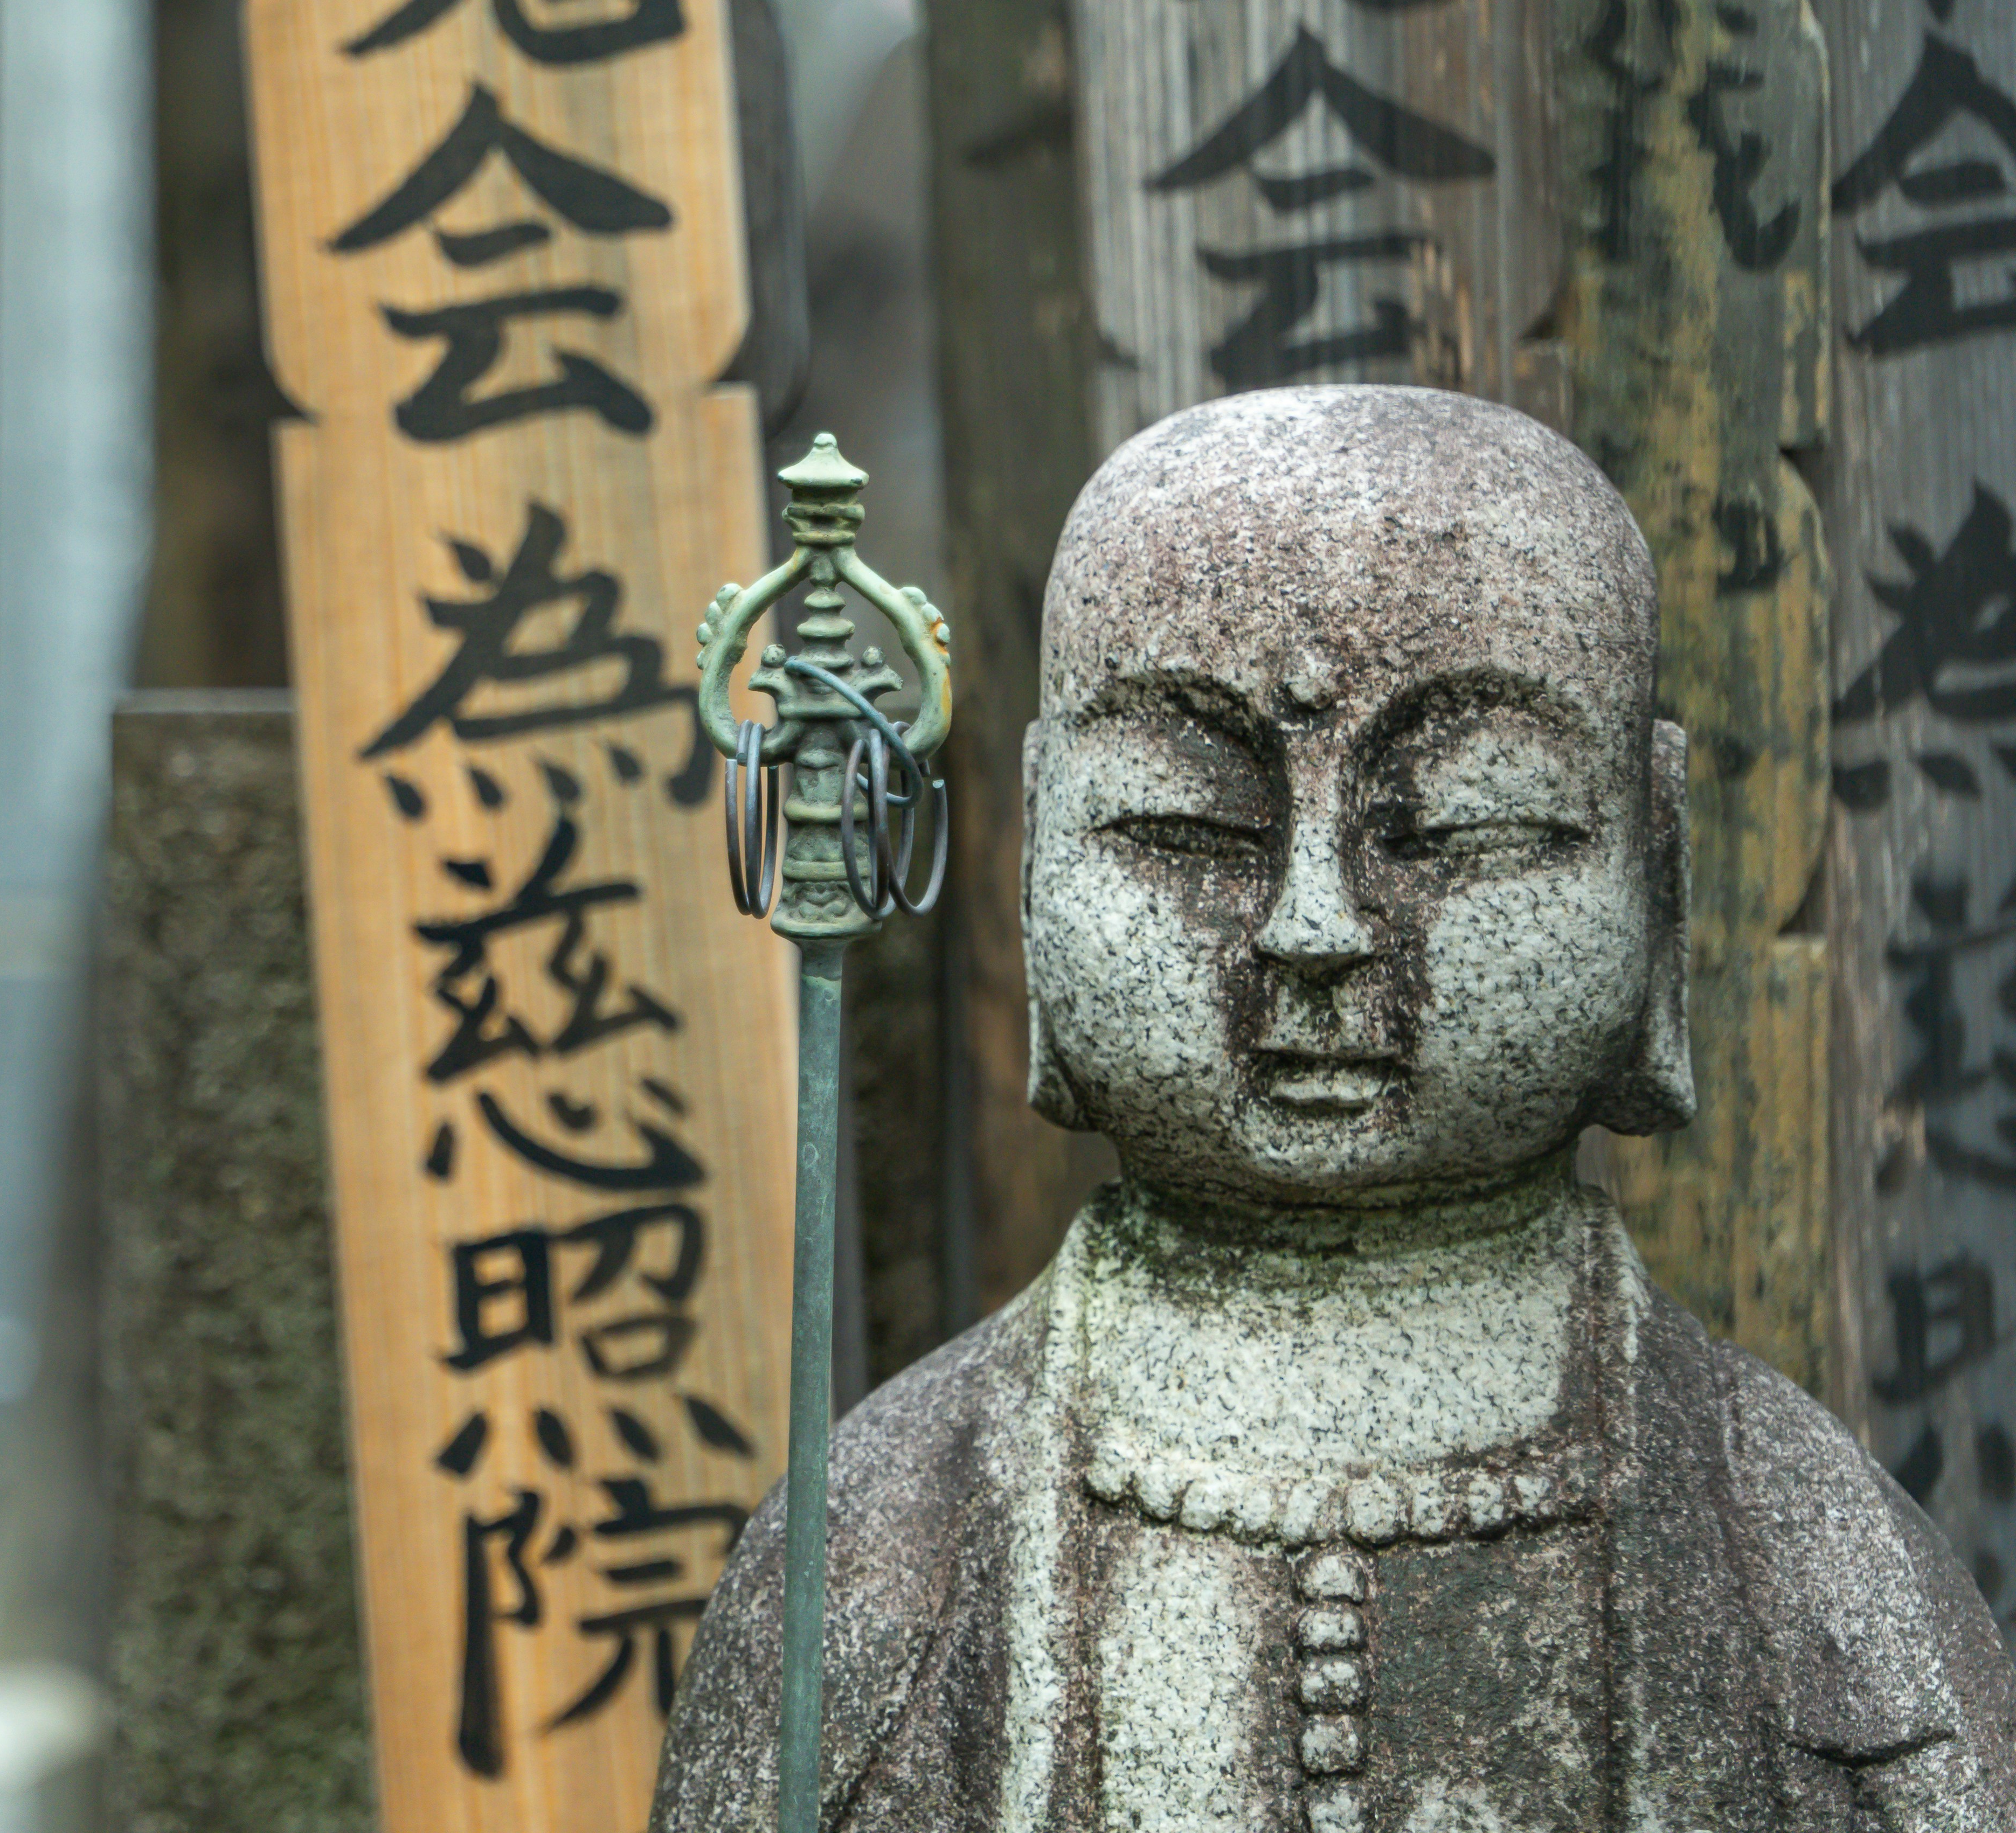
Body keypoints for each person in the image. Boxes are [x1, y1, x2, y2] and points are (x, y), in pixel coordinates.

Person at [650, 386, 2016, 1832]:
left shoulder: (1800, 1555)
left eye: (1454, 826)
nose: (1315, 928)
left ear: (1654, 871)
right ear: (1043, 846)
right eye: (1193, 831)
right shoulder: (880, 1546)